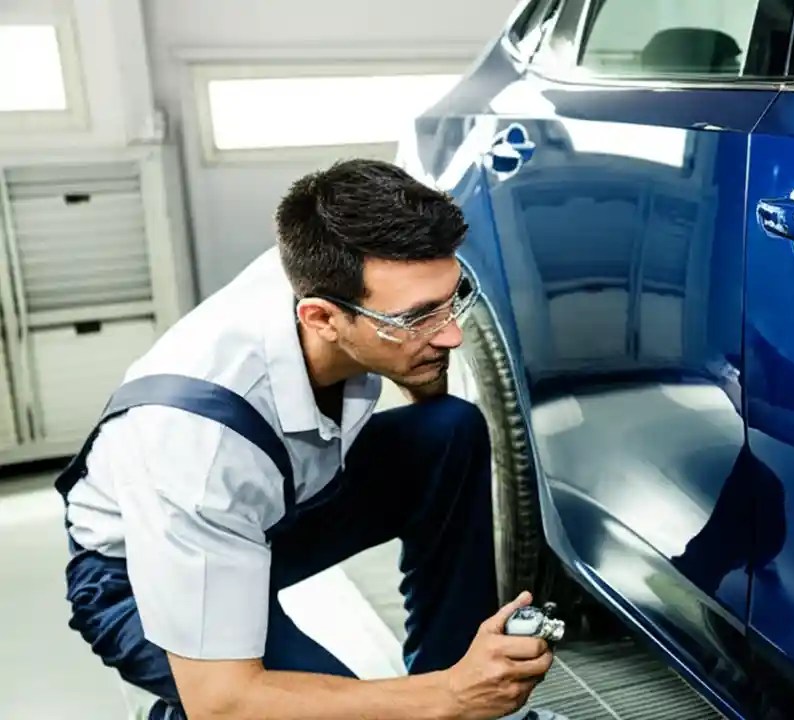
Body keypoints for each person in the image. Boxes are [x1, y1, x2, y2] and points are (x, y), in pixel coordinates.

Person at [56, 159, 564, 720]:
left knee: (449, 430)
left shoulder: (339, 268)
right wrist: (447, 699)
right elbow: (225, 700)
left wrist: (451, 690)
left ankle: (454, 673)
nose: (452, 333)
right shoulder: (196, 447)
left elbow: (425, 371)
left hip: (275, 510)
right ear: (321, 317)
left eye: (453, 299)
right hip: (137, 577)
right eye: (418, 319)